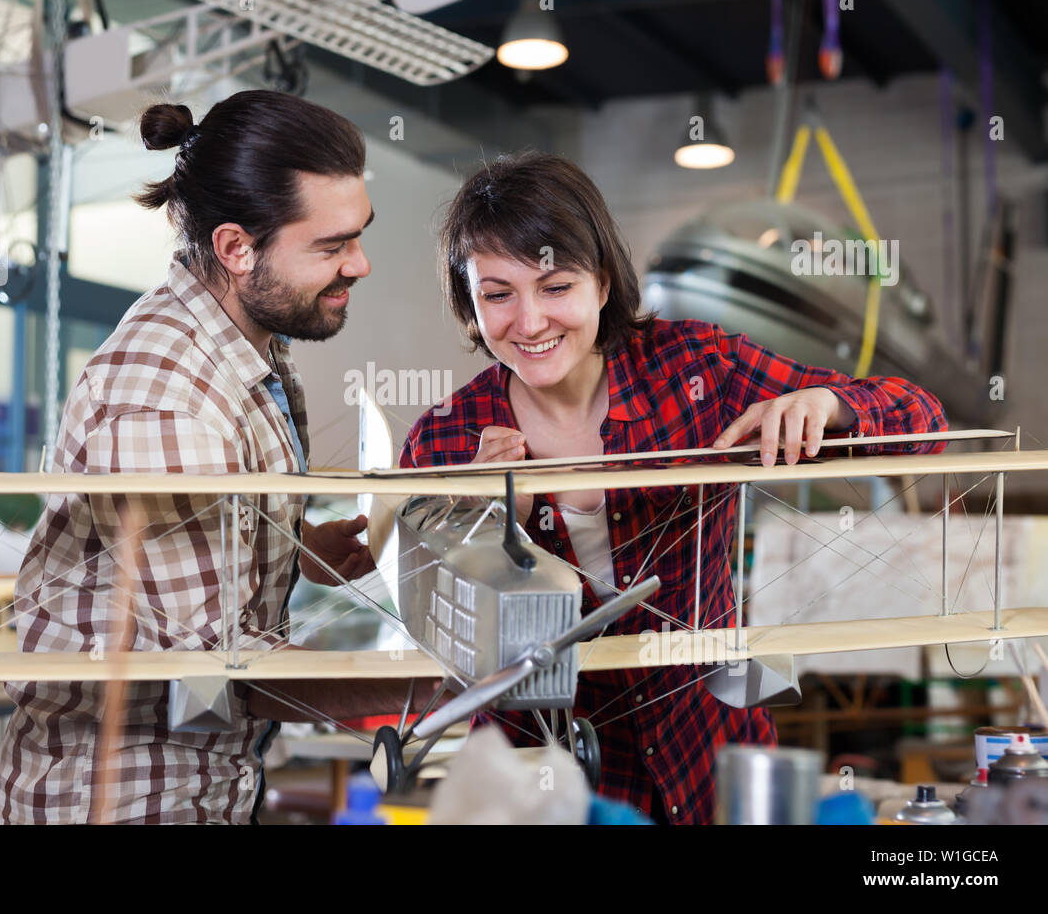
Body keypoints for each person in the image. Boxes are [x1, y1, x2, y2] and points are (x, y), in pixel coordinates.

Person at [398, 152, 947, 824]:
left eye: (556, 286)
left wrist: (825, 405)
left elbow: (923, 422)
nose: (531, 321)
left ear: (602, 283)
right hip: (548, 788)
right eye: (497, 294)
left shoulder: (696, 367)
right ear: (468, 300)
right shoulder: (444, 440)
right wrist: (478, 535)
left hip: (713, 760)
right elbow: (424, 646)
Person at [0, 90, 410, 825]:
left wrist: (294, 545)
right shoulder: (166, 396)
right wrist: (431, 685)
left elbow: (192, 549)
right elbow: (222, 668)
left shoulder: (249, 340)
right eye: (331, 245)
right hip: (126, 798)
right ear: (235, 249)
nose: (361, 263)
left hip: (211, 780)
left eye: (359, 234)